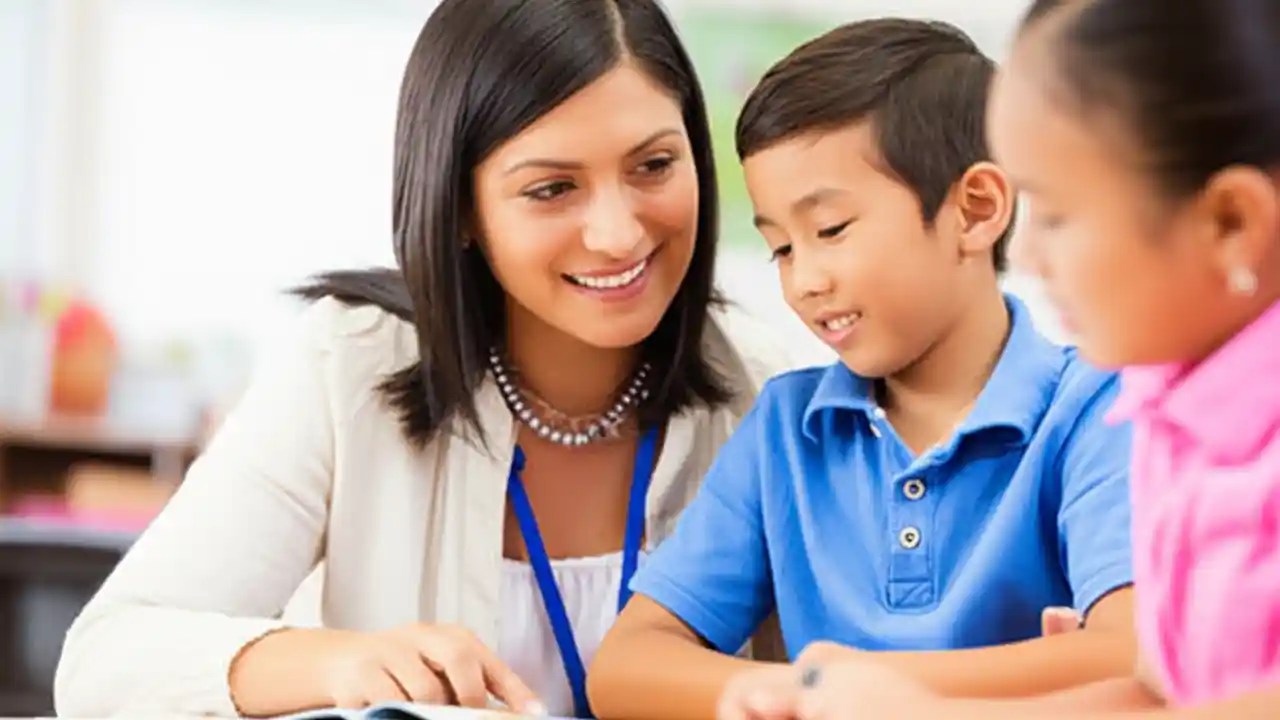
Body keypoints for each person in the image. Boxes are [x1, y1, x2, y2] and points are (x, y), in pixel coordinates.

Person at [51, 1, 791, 717]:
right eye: (552, 188)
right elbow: (106, 662)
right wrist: (336, 662)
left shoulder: (777, 393)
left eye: (654, 165)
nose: (618, 233)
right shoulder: (348, 365)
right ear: (462, 206)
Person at [734, 1, 1280, 718]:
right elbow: (1159, 690)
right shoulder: (1166, 409)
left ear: (1230, 222)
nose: (1022, 254)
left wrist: (923, 708)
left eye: (1055, 214)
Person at [587, 18, 1136, 720]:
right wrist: (807, 694)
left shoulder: (1099, 409)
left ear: (975, 210)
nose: (804, 281)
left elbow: (1134, 652)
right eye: (782, 248)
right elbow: (626, 667)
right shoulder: (785, 432)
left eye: (831, 231)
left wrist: (878, 691)